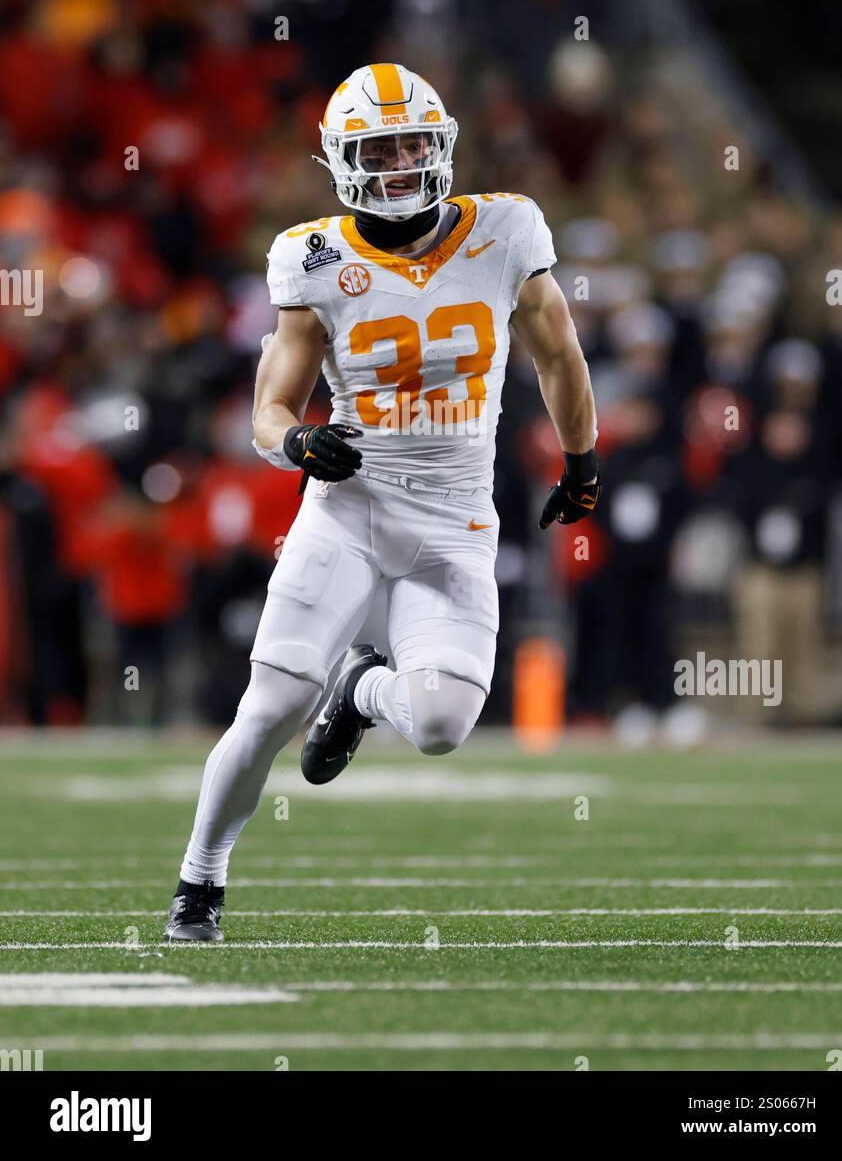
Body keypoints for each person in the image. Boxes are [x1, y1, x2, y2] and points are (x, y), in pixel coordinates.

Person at [164, 63, 600, 942]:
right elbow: (268, 410)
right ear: (341, 159)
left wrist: (582, 459)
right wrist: (294, 442)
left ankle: (362, 690)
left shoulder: (505, 230)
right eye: (380, 148)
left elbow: (557, 354)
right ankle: (199, 883)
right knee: (271, 710)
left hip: (457, 522)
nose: (400, 163)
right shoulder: (314, 257)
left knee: (440, 723)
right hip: (350, 512)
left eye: (412, 143)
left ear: (441, 144)